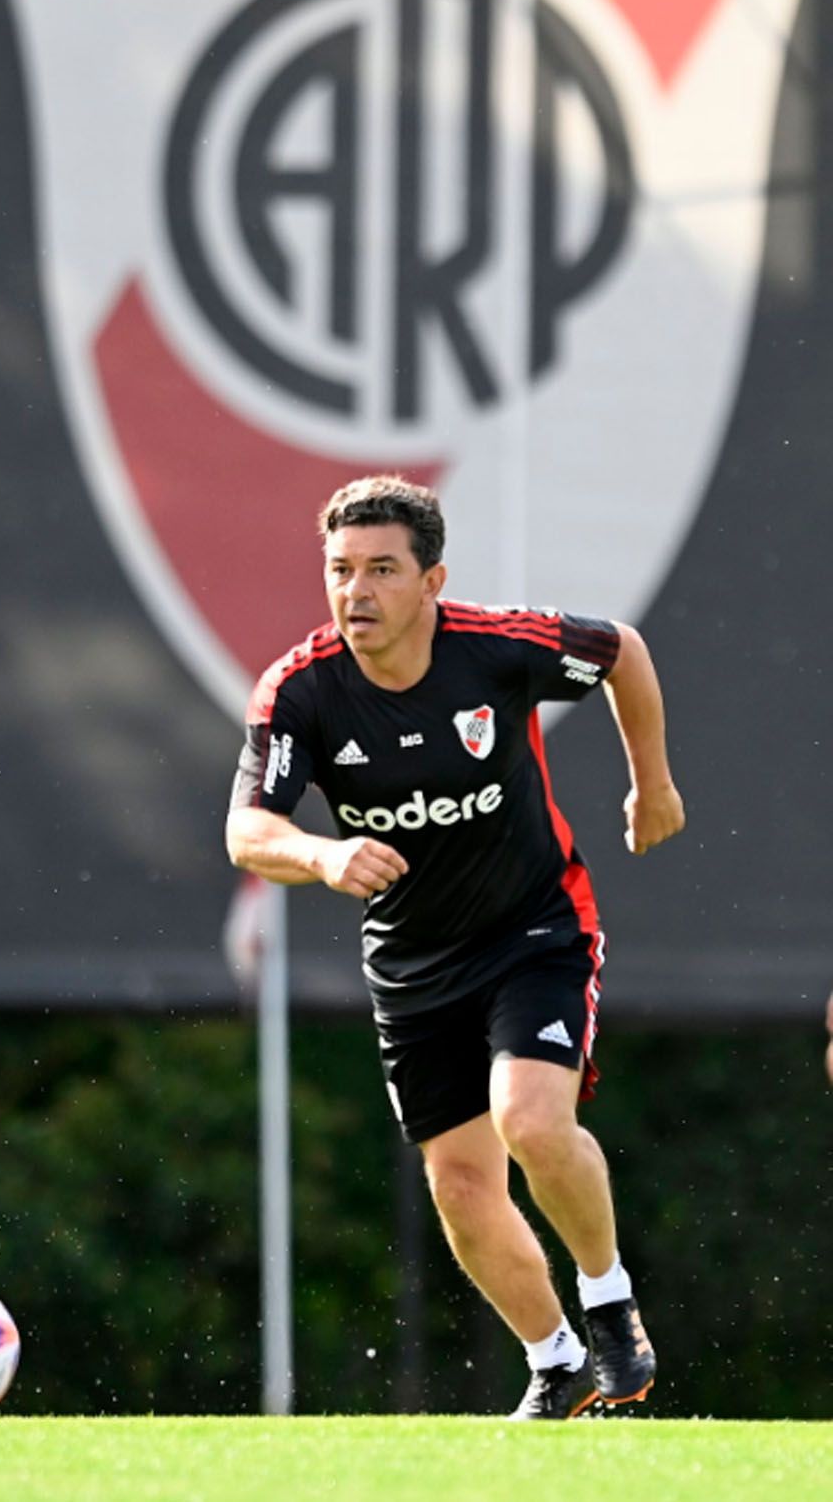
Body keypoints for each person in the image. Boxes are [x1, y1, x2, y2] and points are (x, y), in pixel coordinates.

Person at [226, 474, 685, 1420]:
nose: (356, 592)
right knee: (461, 1183)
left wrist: (654, 784)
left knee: (530, 1121)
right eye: (340, 570)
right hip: (412, 964)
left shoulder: (496, 649)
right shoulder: (300, 690)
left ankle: (609, 1302)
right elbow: (247, 830)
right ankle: (556, 1362)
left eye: (382, 570)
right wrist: (323, 852)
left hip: (534, 928)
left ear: (433, 581)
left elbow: (621, 650)